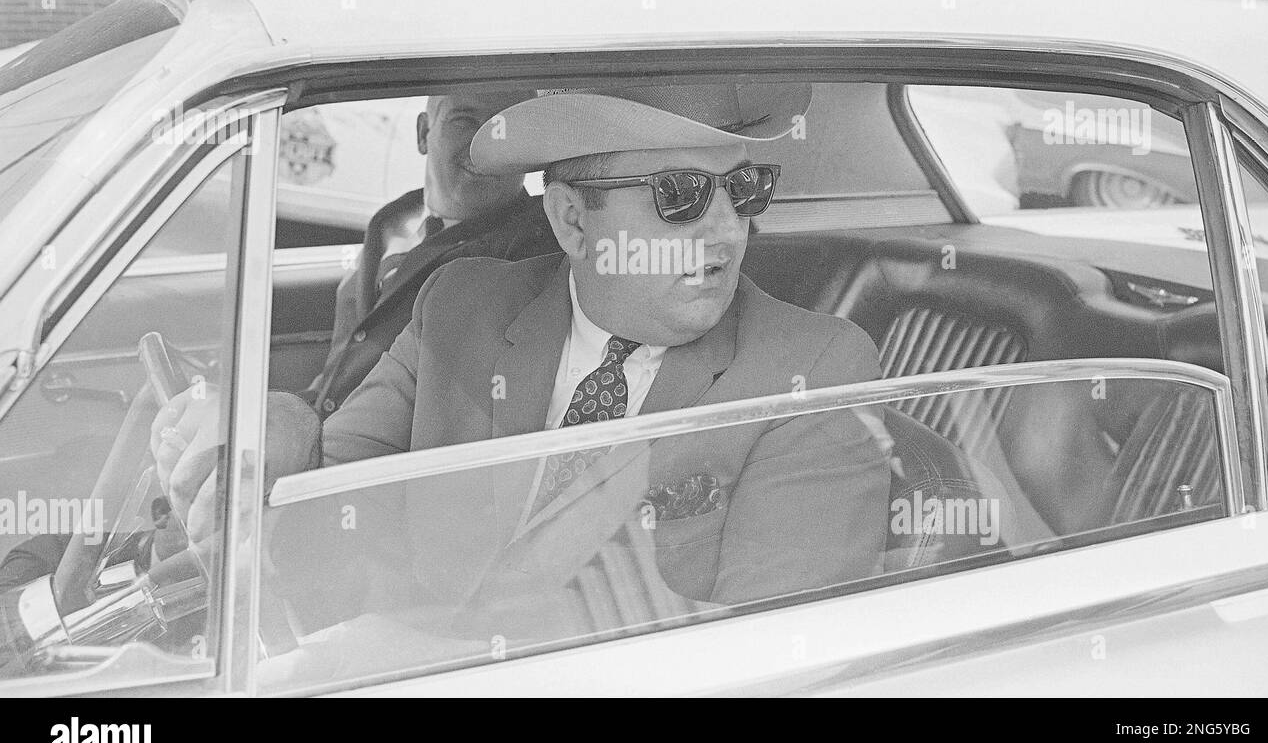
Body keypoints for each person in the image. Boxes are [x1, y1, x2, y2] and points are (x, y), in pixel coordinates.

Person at [153, 82, 891, 624]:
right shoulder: (459, 310)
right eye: (682, 196)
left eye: (745, 189)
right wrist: (278, 434)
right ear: (572, 220)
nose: (728, 233)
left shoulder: (814, 371)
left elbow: (775, 663)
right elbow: (331, 512)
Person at [305, 89, 558, 415]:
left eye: (508, 125)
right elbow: (342, 363)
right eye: (465, 121)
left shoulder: (532, 250)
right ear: (424, 133)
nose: (487, 143)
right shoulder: (391, 221)